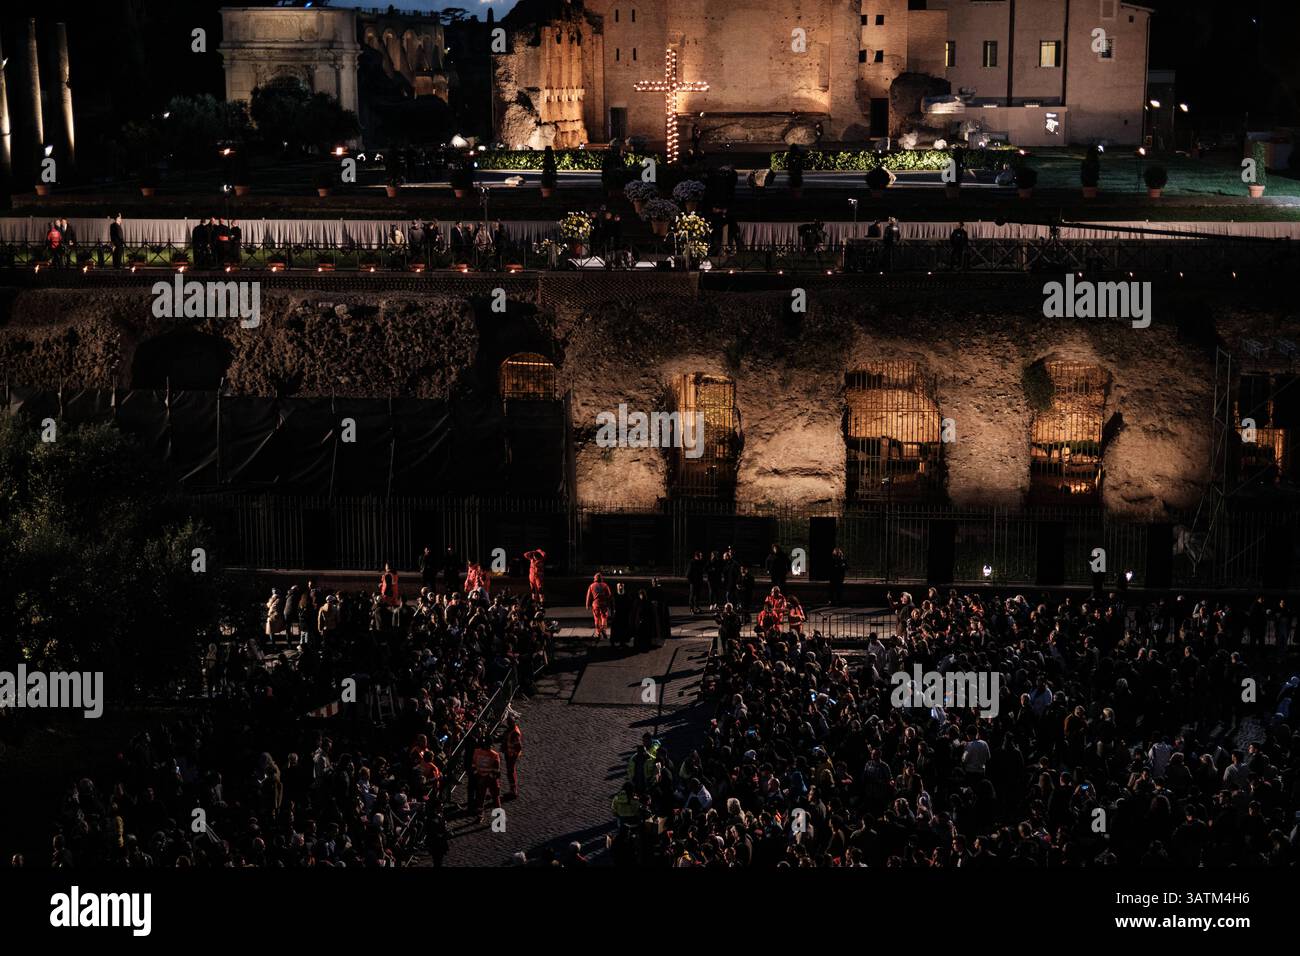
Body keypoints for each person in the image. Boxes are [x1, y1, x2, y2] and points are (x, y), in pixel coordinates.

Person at [470, 734, 502, 822]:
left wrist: (479, 776)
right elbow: (496, 771)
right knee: (495, 798)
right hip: (491, 780)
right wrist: (486, 778)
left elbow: (473, 766)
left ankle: (480, 816)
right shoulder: (494, 755)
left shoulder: (476, 752)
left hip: (481, 779)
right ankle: (498, 818)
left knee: (481, 798)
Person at [585, 572, 613, 641]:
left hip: (595, 604)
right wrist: (608, 602)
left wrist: (587, 605)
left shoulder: (591, 586)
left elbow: (588, 596)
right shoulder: (605, 585)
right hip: (603, 604)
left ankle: (598, 632)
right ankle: (603, 629)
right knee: (604, 617)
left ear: (595, 578)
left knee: (597, 618)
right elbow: (609, 595)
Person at [503, 715, 523, 798]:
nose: (508, 723)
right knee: (510, 772)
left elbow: (519, 746)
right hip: (509, 753)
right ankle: (513, 790)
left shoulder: (514, 732)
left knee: (510, 772)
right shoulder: (511, 729)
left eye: (509, 722)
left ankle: (513, 791)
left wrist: (513, 755)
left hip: (511, 755)